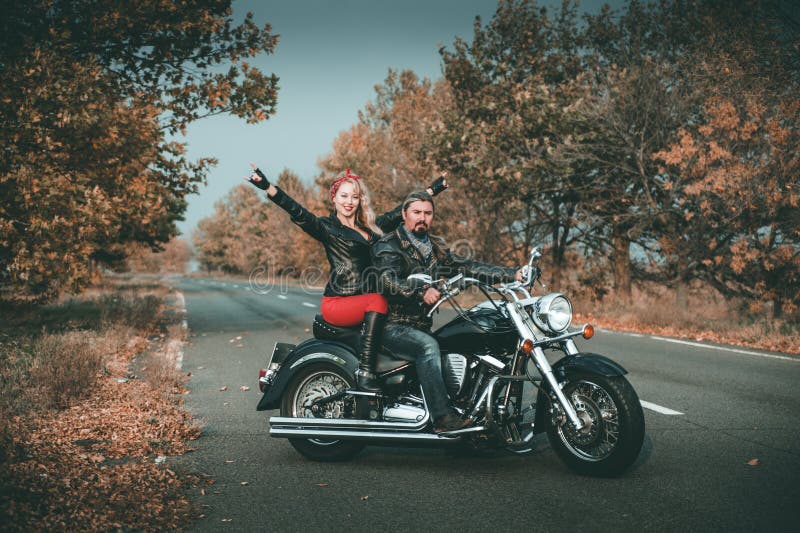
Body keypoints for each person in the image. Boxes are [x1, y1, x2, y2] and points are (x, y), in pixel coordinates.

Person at [246, 164, 448, 391]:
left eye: (354, 196)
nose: (349, 202)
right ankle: (365, 372)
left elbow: (398, 213)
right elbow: (297, 211)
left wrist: (431, 191)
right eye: (343, 196)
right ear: (334, 199)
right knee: (378, 301)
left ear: (360, 200)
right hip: (339, 302)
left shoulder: (371, 228)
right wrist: (267, 186)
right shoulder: (327, 228)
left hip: (361, 302)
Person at [372, 190, 524, 433]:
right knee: (427, 347)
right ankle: (443, 418)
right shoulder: (388, 245)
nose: (422, 218)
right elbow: (386, 281)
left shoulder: (433, 246)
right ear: (404, 214)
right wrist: (419, 291)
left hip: (420, 325)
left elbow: (464, 267)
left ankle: (473, 411)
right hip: (392, 326)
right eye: (417, 212)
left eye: (428, 213)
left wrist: (512, 274)